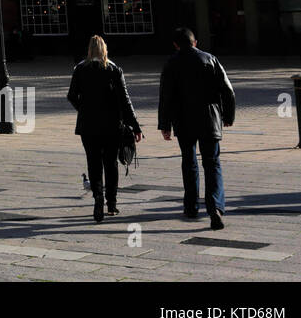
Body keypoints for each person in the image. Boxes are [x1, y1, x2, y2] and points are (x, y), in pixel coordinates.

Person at [158, 27, 235, 230]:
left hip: (183, 120)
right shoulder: (210, 59)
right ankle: (215, 208)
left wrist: (164, 124)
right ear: (195, 42)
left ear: (176, 45)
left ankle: (191, 206)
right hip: (209, 119)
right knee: (212, 163)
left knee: (189, 162)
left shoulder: (171, 63)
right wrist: (228, 116)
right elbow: (227, 90)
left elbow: (165, 96)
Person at [67, 35, 142, 223]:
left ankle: (97, 198)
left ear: (89, 49)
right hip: (112, 125)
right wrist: (135, 125)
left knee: (93, 163)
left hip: (88, 125)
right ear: (104, 49)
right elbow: (125, 100)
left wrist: (83, 109)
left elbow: (71, 95)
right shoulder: (113, 69)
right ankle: (112, 203)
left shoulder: (80, 69)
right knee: (111, 164)